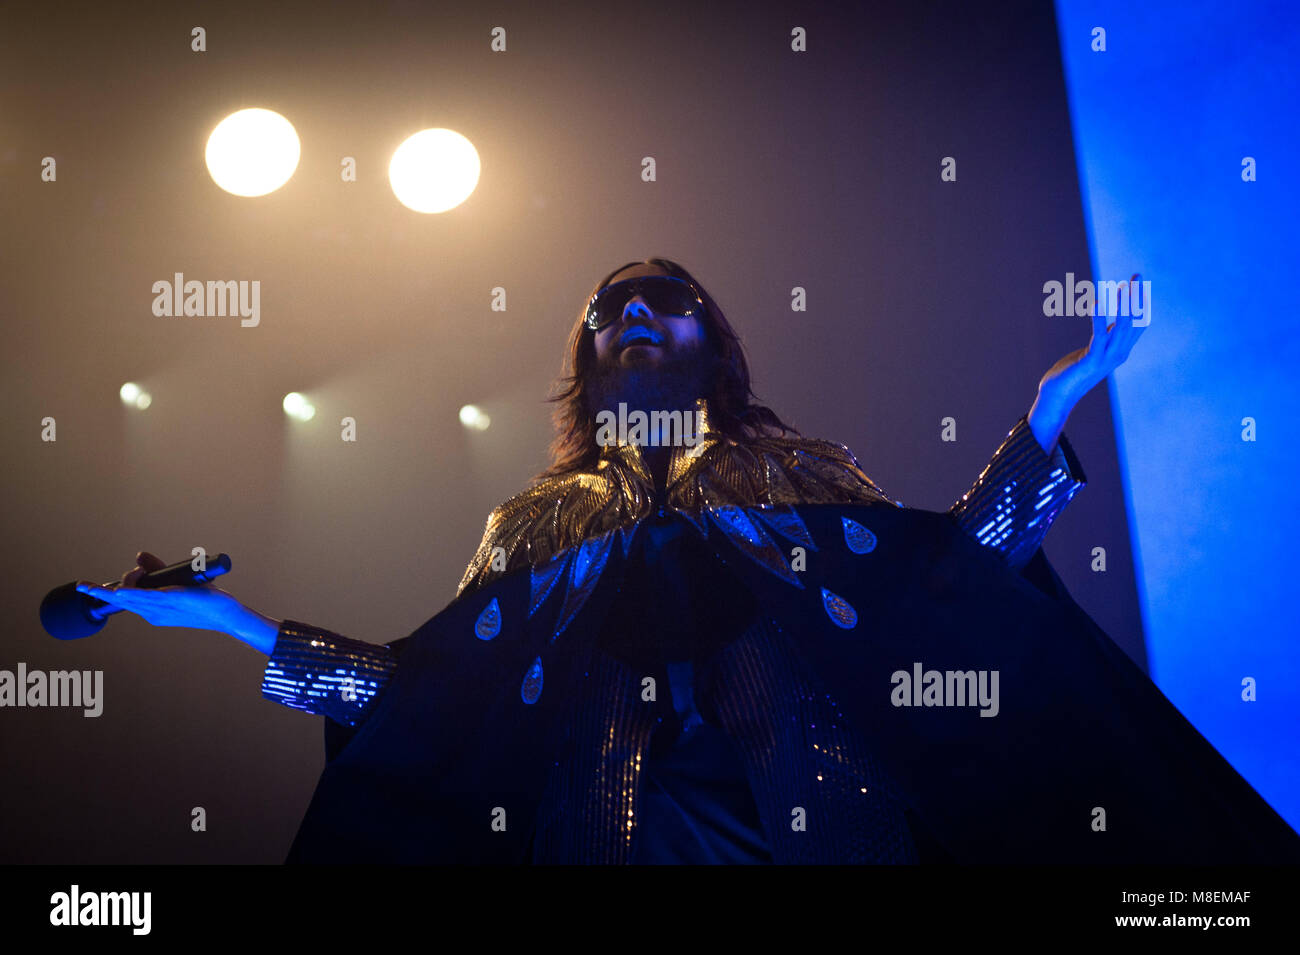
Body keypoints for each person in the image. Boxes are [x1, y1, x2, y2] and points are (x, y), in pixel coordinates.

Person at [78, 259, 1298, 864]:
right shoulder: (535, 523)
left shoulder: (799, 470)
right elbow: (429, 696)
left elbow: (945, 589)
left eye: (662, 300)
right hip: (606, 832)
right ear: (590, 358)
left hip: (820, 819)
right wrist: (231, 627)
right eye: (611, 309)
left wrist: (1052, 410)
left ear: (710, 337)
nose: (633, 315)